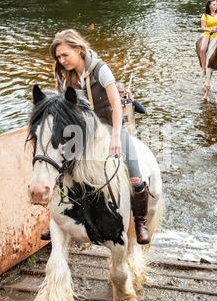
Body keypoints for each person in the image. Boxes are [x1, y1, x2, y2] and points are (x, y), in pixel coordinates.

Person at [48, 29, 151, 244]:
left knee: (134, 174)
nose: (62, 60)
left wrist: (115, 137)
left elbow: (115, 105)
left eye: (65, 55)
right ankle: (59, 219)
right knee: (59, 169)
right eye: (58, 57)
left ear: (79, 49)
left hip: (111, 125)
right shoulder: (64, 76)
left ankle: (140, 221)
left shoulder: (101, 70)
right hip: (83, 133)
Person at [199, 0, 217, 78]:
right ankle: (203, 68)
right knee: (202, 49)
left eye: (216, 4)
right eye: (214, 4)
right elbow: (203, 27)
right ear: (209, 5)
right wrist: (210, 29)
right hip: (209, 33)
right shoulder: (205, 15)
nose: (215, 6)